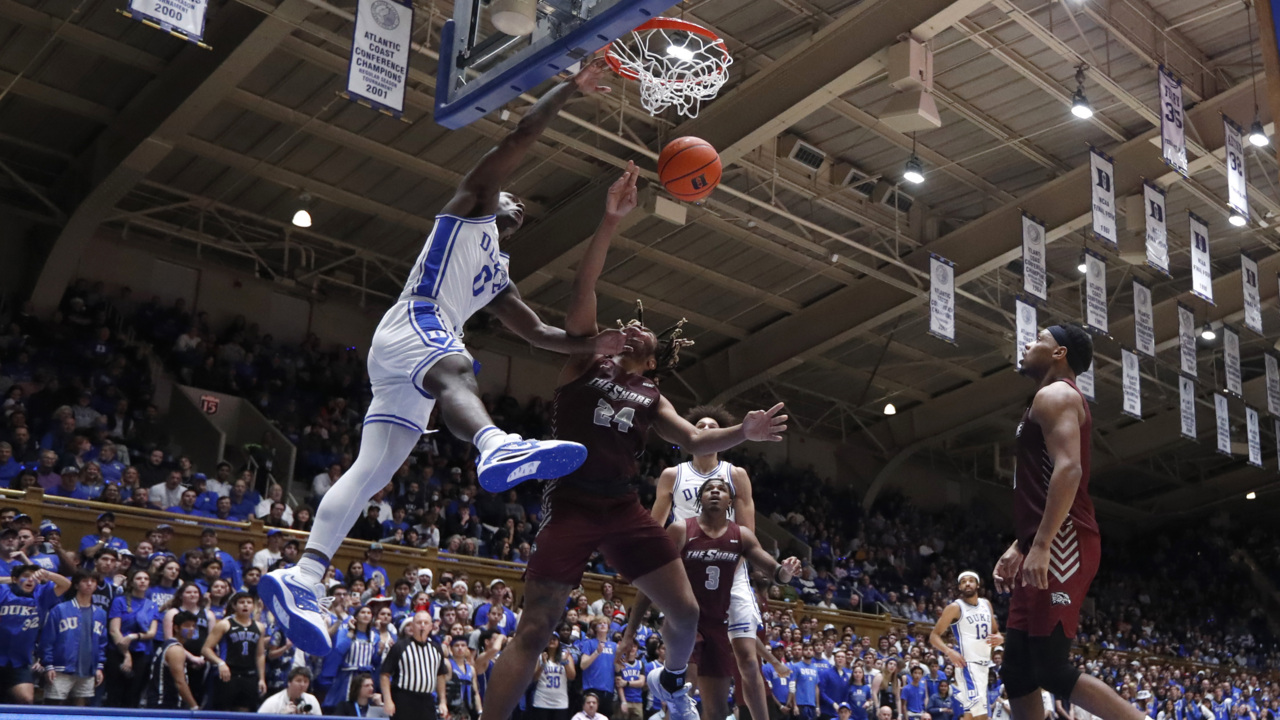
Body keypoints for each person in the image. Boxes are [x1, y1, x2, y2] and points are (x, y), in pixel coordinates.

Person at [262, 58, 629, 656]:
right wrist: (570, 88)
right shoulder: (468, 208)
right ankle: (495, 444)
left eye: (522, 206)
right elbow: (522, 135)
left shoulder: (495, 270)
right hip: (418, 320)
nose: (518, 203)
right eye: (511, 196)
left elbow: (538, 332)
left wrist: (596, 345)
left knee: (372, 473)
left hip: (405, 355)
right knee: (458, 366)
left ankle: (303, 576)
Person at [479, 164, 787, 720]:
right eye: (627, 323)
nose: (631, 325)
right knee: (536, 627)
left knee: (687, 615)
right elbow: (585, 286)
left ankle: (671, 681)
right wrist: (610, 219)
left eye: (642, 328)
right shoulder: (586, 358)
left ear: (655, 355)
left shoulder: (653, 395)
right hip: (572, 501)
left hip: (623, 508)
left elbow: (692, 436)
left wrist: (744, 431)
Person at [994, 325, 1145, 720]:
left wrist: (1043, 543)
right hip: (1047, 538)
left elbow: (1069, 470)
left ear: (1059, 353)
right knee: (1017, 670)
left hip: (1065, 541)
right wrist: (1021, 544)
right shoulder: (1046, 398)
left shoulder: (1057, 395)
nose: (1028, 344)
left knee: (1051, 668)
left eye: (1038, 340)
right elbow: (1042, 485)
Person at [651, 403, 785, 720]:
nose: (708, 430)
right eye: (701, 426)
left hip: (730, 570)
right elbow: (654, 529)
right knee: (685, 658)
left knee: (747, 658)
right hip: (687, 573)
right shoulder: (672, 475)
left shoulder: (735, 475)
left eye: (714, 426)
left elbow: (746, 533)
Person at [625, 478, 800, 720]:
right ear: (700, 498)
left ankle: (666, 680)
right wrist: (629, 633)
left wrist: (786, 571)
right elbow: (650, 580)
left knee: (717, 712)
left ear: (730, 501)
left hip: (717, 627)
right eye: (709, 489)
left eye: (722, 489)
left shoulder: (742, 535)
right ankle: (668, 680)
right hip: (685, 624)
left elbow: (775, 572)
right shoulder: (680, 530)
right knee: (682, 702)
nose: (715, 491)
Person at [929, 571, 1002, 720]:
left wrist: (1000, 638)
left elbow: (995, 631)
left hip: (984, 666)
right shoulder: (955, 607)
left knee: (971, 715)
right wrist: (949, 652)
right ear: (959, 587)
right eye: (963, 582)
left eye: (971, 581)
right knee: (981, 715)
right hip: (967, 665)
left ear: (978, 584)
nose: (967, 584)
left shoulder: (986, 604)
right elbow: (933, 636)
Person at [0, 563, 71, 703]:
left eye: (34, 577)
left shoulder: (42, 595)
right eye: (26, 576)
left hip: (20, 661)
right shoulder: (3, 591)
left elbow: (66, 584)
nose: (30, 580)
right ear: (15, 579)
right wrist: (9, 579)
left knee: (26, 699)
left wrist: (47, 574)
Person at [41, 571, 108, 706]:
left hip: (88, 670)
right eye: (85, 581)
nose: (89, 584)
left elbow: (102, 643)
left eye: (93, 581)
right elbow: (47, 640)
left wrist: (99, 667)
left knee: (81, 710)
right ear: (76, 585)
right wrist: (48, 665)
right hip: (61, 668)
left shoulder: (100, 613)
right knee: (54, 707)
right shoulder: (60, 609)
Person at [201, 591, 267, 712]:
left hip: (249, 675)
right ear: (234, 606)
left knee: (245, 711)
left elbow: (260, 655)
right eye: (241, 602)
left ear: (253, 606)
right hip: (228, 673)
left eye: (249, 602)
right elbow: (206, 649)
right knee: (224, 711)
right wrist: (220, 663)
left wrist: (262, 678)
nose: (245, 605)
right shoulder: (224, 624)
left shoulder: (259, 627)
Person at [380, 611, 450, 720]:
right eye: (419, 622)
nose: (422, 625)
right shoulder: (400, 646)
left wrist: (443, 702)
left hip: (427, 700)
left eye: (426, 623)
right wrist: (388, 700)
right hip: (403, 699)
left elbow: (440, 675)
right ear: (412, 626)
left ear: (431, 627)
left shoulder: (436, 648)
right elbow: (384, 674)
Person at [107, 568, 160, 707]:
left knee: (133, 694)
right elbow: (114, 630)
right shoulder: (119, 601)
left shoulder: (152, 605)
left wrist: (133, 636)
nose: (142, 581)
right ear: (131, 582)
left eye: (146, 579)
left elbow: (152, 633)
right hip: (118, 651)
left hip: (141, 653)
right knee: (115, 694)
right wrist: (126, 655)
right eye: (139, 578)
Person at [145, 610, 202, 710]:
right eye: (187, 626)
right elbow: (180, 682)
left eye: (193, 626)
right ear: (176, 628)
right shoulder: (175, 649)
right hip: (166, 704)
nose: (191, 629)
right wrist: (194, 706)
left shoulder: (167, 645)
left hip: (159, 702)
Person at [531, 633, 576, 720]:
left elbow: (572, 676)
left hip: (560, 702)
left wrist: (565, 662)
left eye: (554, 639)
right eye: (549, 638)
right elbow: (534, 678)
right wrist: (543, 665)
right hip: (541, 701)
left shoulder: (566, 656)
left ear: (559, 642)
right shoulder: (539, 656)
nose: (551, 640)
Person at [259, 666, 324, 715]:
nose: (302, 684)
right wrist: (281, 717)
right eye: (298, 681)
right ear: (289, 682)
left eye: (306, 681)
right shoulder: (273, 702)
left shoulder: (312, 700)